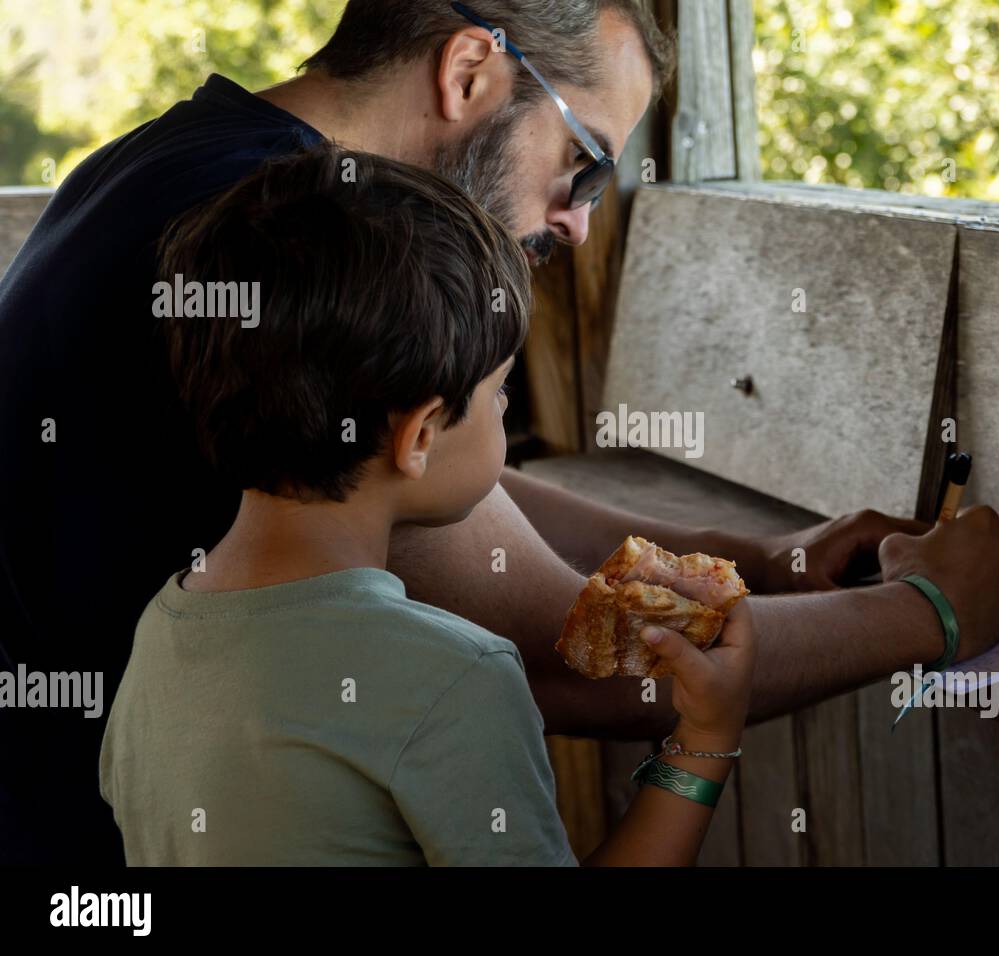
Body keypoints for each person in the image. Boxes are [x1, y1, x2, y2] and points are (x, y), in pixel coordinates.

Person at [0, 0, 999, 864]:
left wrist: (761, 559)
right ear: (470, 70)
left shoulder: (201, 179)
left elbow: (431, 481)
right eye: (583, 164)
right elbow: (574, 647)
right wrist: (931, 611)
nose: (579, 223)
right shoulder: (263, 220)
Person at [99, 144, 754, 865]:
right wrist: (704, 741)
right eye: (501, 391)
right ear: (418, 436)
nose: (504, 408)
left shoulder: (158, 642)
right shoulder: (452, 676)